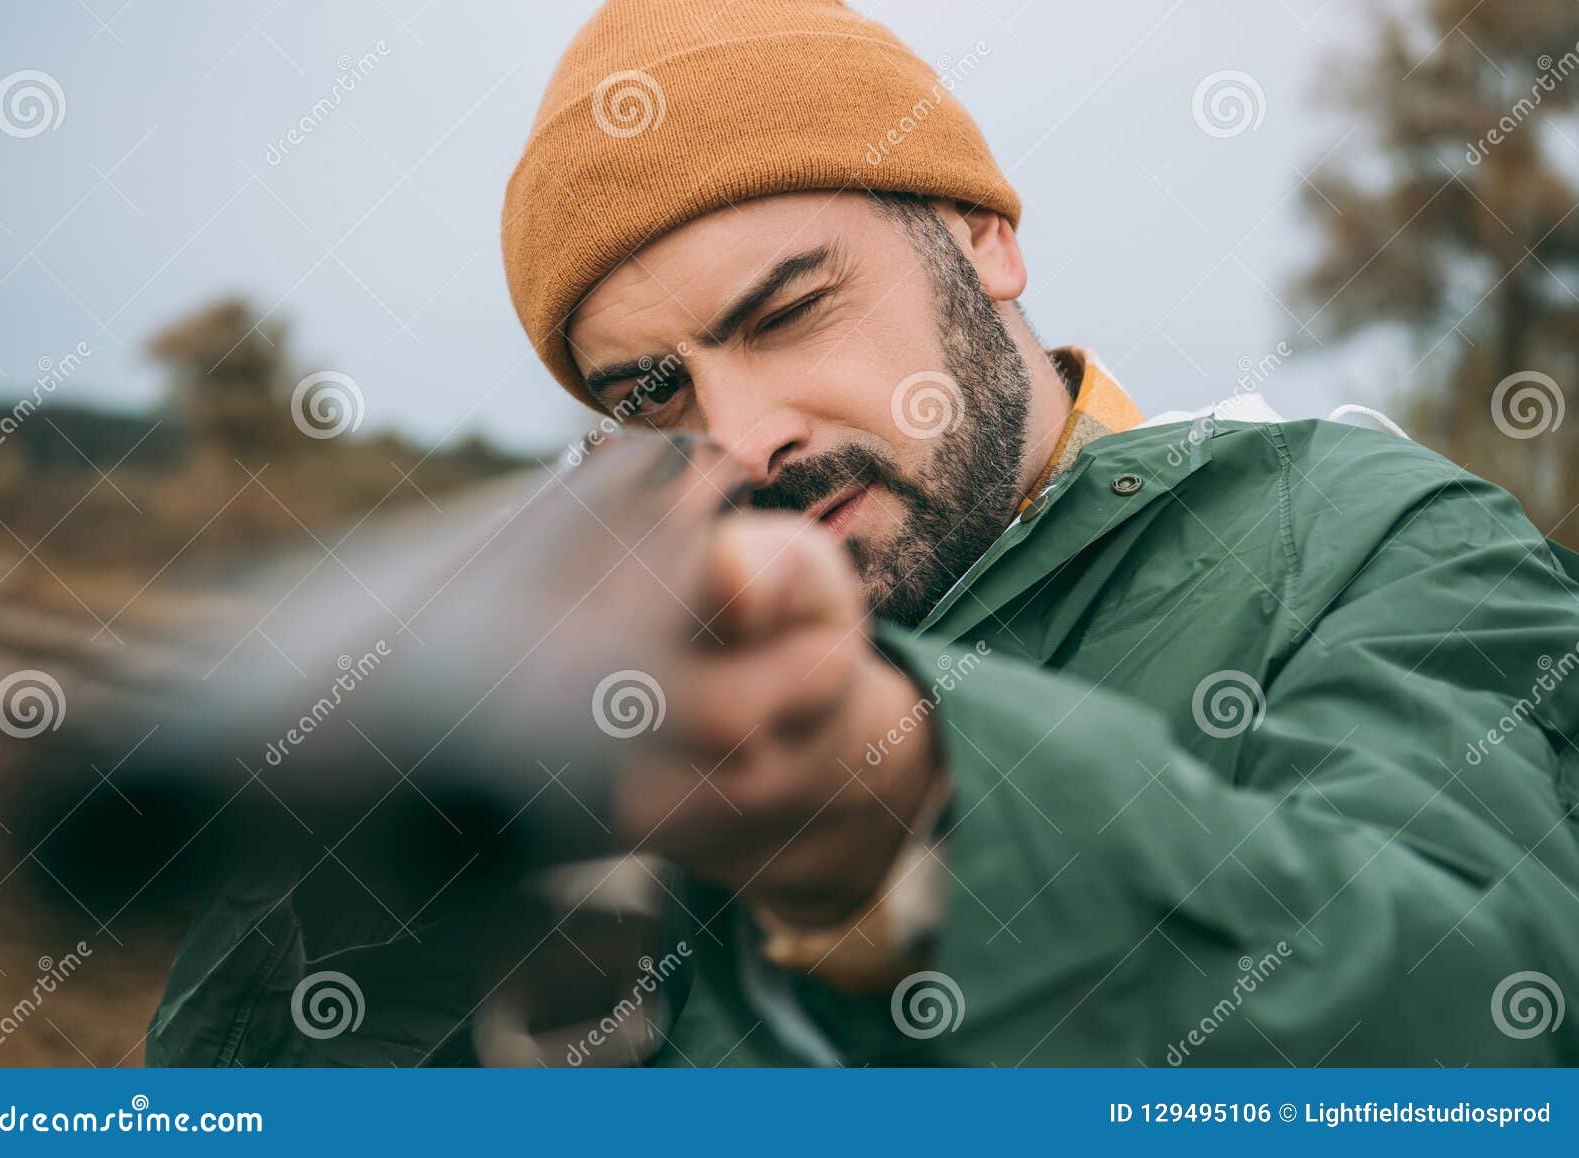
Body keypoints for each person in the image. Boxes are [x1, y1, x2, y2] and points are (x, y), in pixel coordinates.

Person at [151, 0, 1579, 1066]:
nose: (745, 436)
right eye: (653, 393)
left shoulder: (1375, 536)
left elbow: (1487, 1020)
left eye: (785, 312)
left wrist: (917, 834)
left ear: (983, 239)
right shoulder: (622, 661)